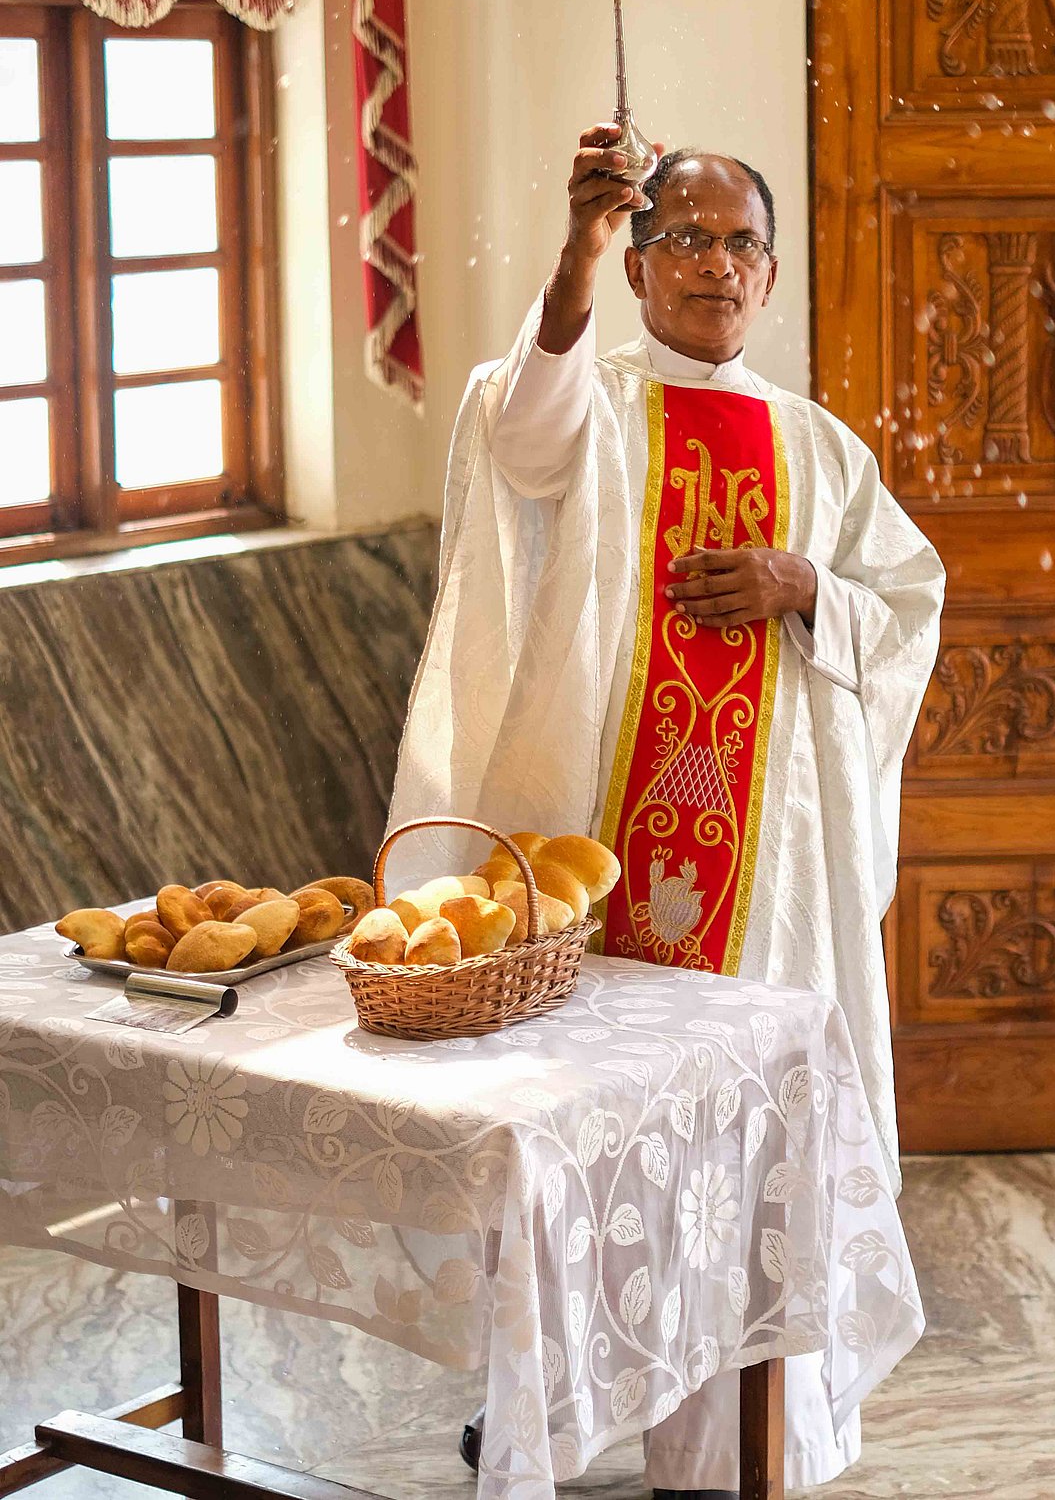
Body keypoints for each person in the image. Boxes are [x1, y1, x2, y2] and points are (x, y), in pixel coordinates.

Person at [387, 125, 946, 1495]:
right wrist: (571, 253)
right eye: (680, 237)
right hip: (599, 860)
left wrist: (803, 582)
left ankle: (729, 1442)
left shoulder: (818, 449)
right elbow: (521, 436)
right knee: (594, 1144)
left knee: (744, 1155)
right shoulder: (594, 401)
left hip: (769, 890)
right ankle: (561, 1408)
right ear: (637, 260)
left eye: (738, 241)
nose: (712, 262)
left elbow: (910, 604)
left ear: (769, 274)